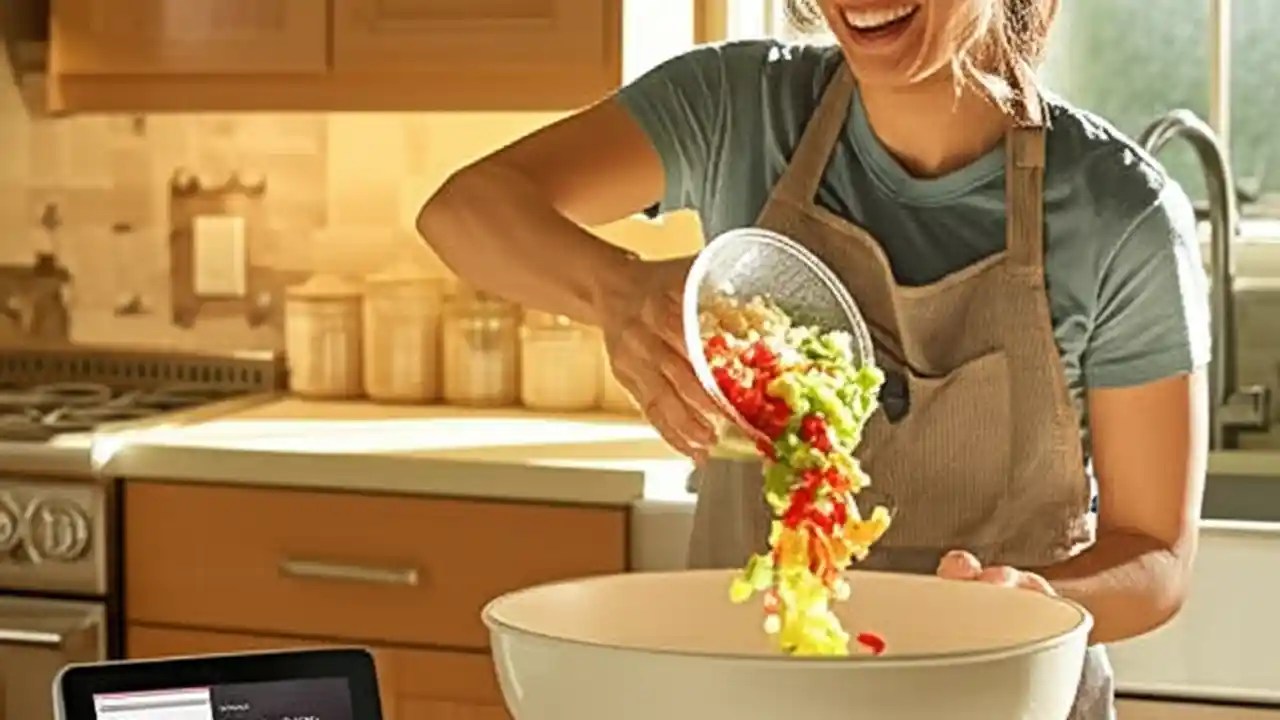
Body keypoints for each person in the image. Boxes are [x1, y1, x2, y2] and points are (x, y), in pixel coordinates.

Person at [416, 0, 1211, 716]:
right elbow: (464, 210)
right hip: (750, 700)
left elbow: (1156, 557)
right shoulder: (737, 107)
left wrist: (1033, 601)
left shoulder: (1122, 216)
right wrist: (617, 291)